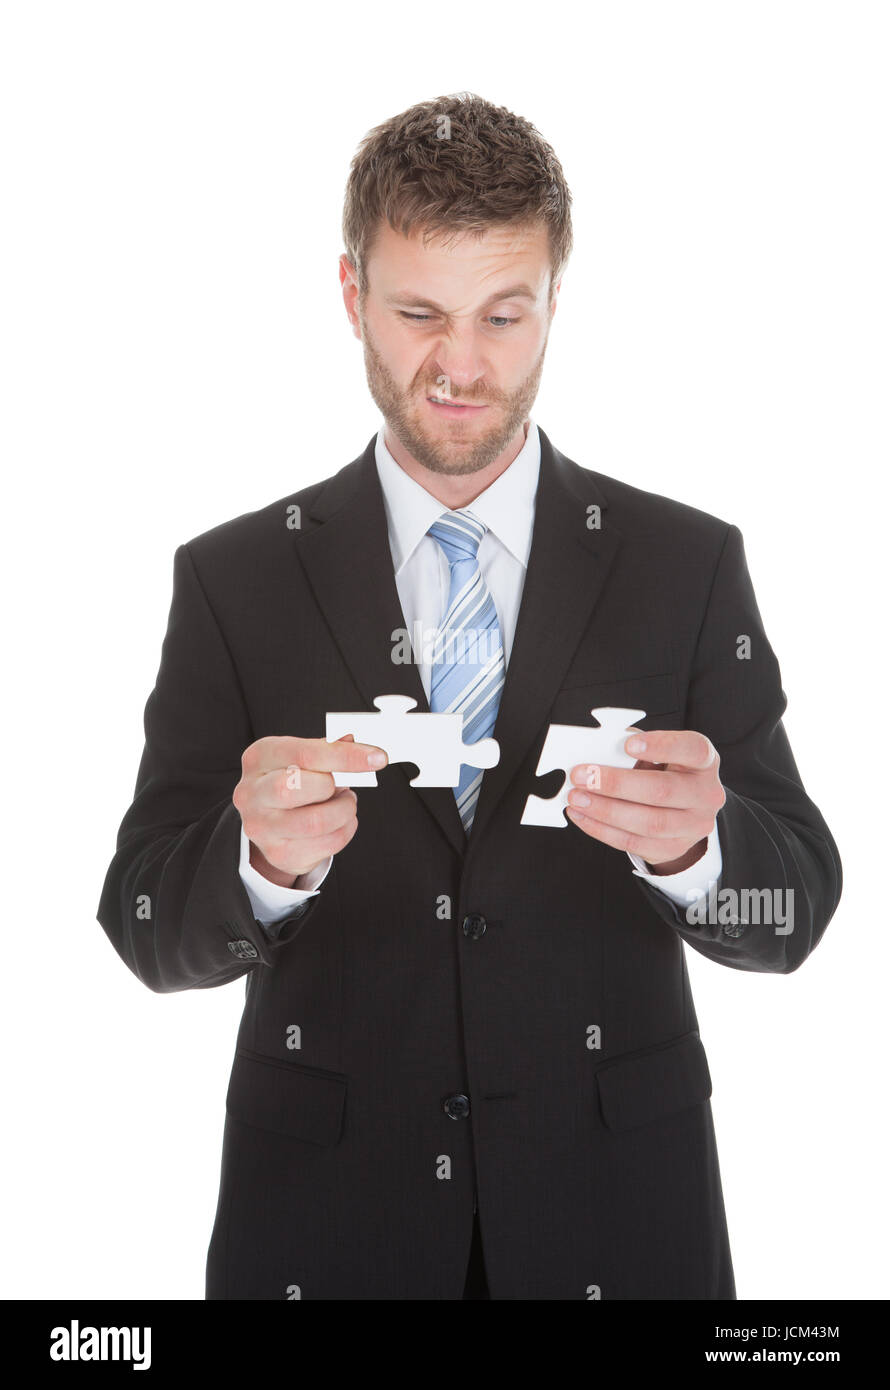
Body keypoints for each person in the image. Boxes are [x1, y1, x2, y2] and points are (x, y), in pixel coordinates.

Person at [97, 91, 842, 1300]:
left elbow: (793, 903)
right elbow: (141, 924)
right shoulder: (233, 578)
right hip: (330, 1235)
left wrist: (702, 850)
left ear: (556, 297)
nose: (460, 365)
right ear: (351, 298)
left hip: (620, 1227)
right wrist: (257, 866)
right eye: (416, 314)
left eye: (504, 313)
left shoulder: (683, 562)